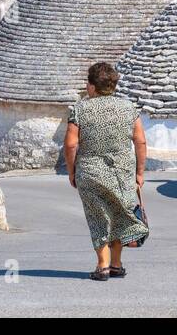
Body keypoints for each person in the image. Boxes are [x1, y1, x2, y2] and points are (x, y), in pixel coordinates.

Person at [63, 61, 148, 281]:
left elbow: (71, 144)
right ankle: (117, 264)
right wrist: (140, 173)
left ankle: (103, 265)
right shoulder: (129, 108)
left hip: (91, 173)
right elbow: (140, 141)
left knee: (98, 216)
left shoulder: (80, 109)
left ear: (92, 86)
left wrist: (71, 172)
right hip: (122, 173)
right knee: (120, 213)